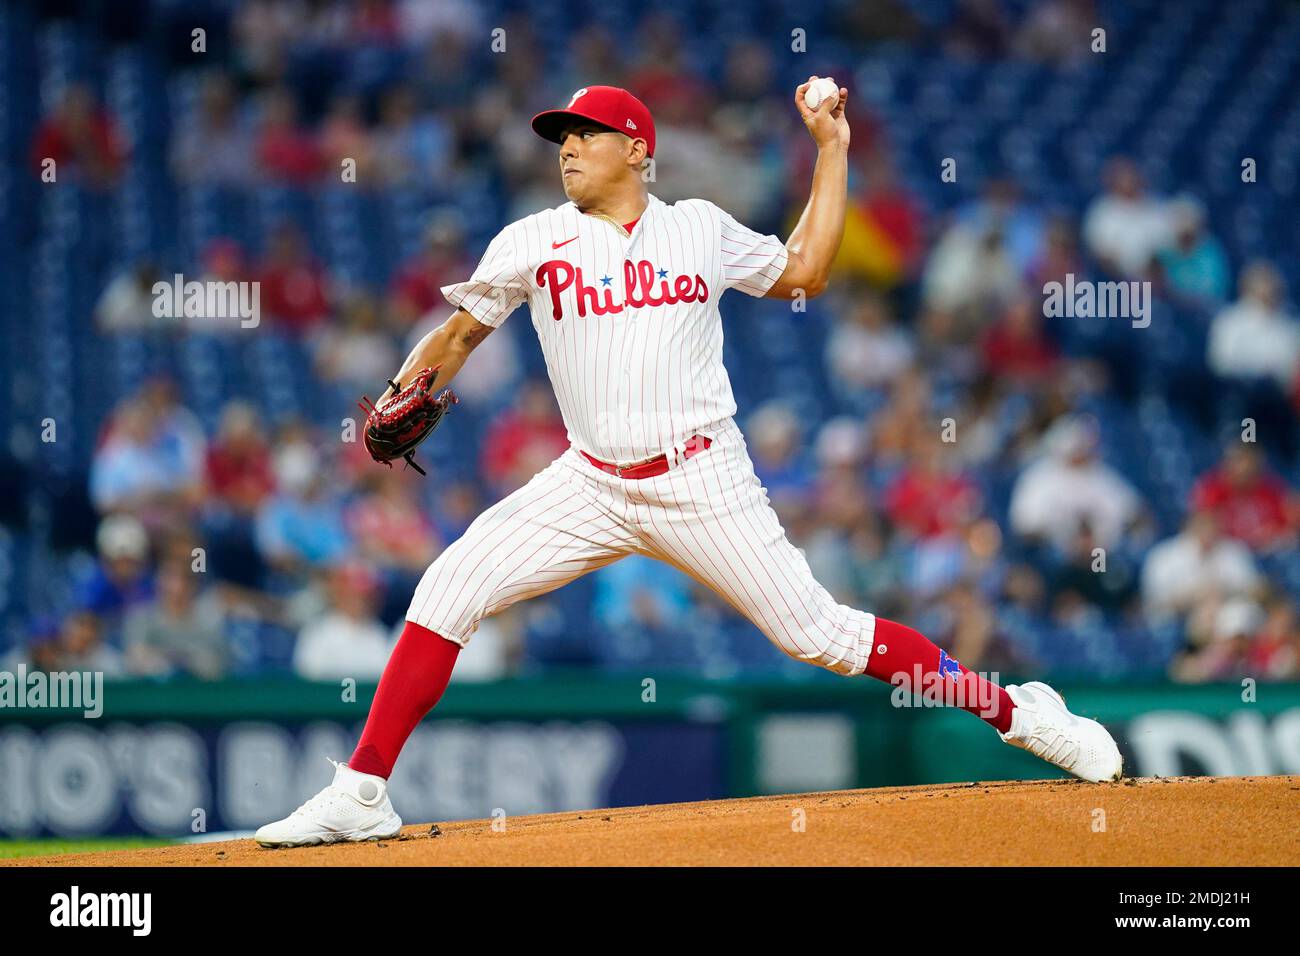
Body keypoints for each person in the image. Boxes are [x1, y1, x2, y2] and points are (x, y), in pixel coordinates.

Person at [255, 81, 1123, 848]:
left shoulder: (700, 229)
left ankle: (1020, 716)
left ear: (637, 148)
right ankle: (362, 793)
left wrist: (831, 151)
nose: (567, 150)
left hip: (702, 476)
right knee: (446, 589)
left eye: (585, 135)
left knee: (817, 636)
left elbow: (807, 270)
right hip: (589, 482)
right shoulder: (532, 239)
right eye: (560, 138)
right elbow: (458, 335)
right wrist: (405, 388)